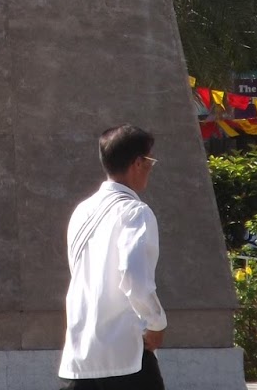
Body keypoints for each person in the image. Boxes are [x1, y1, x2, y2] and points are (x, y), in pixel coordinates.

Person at [57, 124, 168, 389]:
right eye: (149, 160)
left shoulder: (82, 211)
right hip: (125, 355)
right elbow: (133, 276)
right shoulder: (135, 212)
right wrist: (156, 323)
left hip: (80, 355)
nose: (150, 168)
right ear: (138, 163)